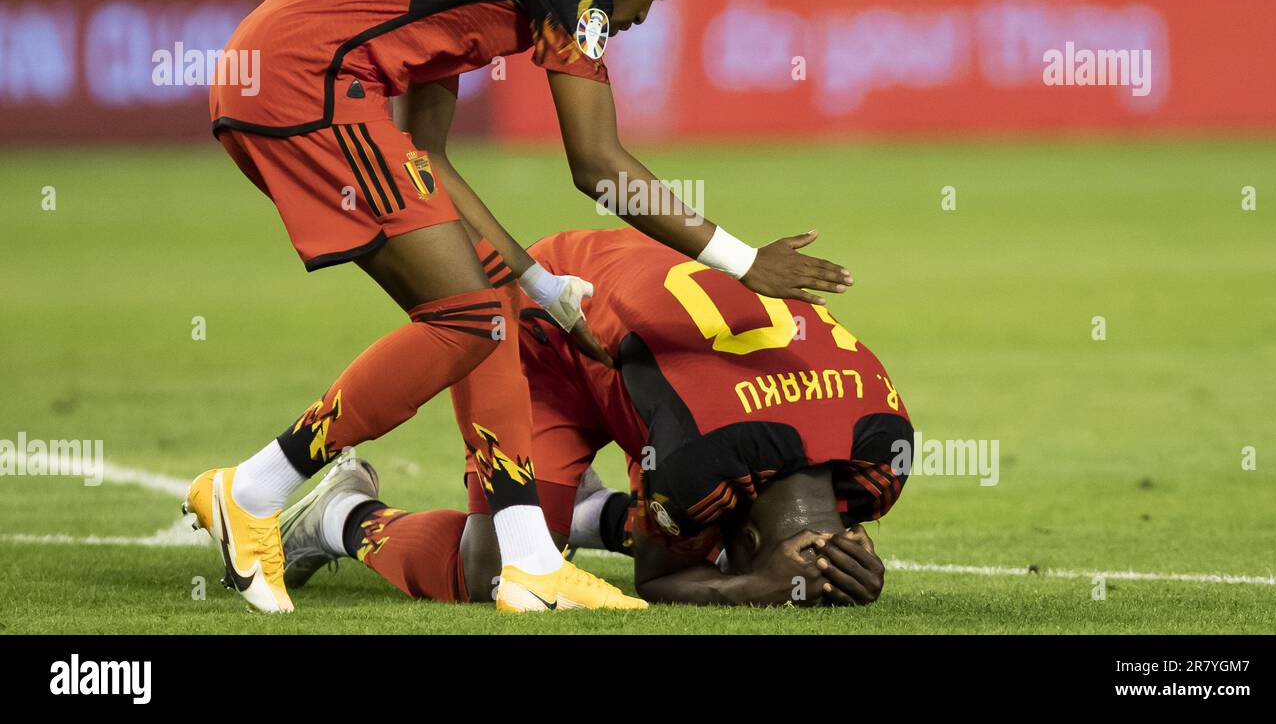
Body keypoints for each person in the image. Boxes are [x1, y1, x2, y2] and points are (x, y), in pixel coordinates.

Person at [185, 0, 854, 614]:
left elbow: (425, 154)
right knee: (466, 317)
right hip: (310, 84)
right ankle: (252, 491)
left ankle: (531, 559)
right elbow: (598, 165)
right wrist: (744, 259)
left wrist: (539, 284)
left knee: (491, 301)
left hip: (282, 77)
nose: (639, 18)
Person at [279, 228, 910, 607]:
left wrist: (849, 566)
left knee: (681, 478)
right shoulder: (705, 464)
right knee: (495, 573)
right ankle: (340, 515)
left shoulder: (884, 443)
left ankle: (580, 510)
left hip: (653, 351)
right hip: (554, 321)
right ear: (739, 543)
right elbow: (658, 580)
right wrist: (754, 586)